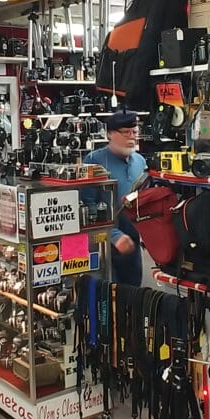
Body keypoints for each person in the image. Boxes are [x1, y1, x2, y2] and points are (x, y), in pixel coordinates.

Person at [81, 110, 147, 287]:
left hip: (132, 243)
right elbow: (87, 205)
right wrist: (114, 236)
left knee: (133, 292)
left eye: (135, 132)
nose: (132, 137)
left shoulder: (140, 161)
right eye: (126, 132)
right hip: (104, 244)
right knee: (107, 293)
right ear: (110, 134)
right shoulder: (94, 161)